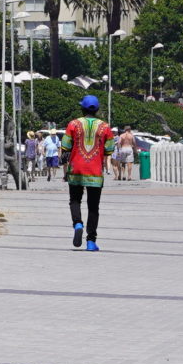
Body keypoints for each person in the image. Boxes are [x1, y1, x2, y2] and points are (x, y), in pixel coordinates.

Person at [63, 95, 114, 251]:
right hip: (95, 171)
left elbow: (65, 146)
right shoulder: (105, 127)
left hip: (76, 169)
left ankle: (77, 223)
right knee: (93, 207)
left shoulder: (73, 124)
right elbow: (109, 149)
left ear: (82, 108)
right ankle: (91, 241)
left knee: (75, 200)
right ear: (97, 110)